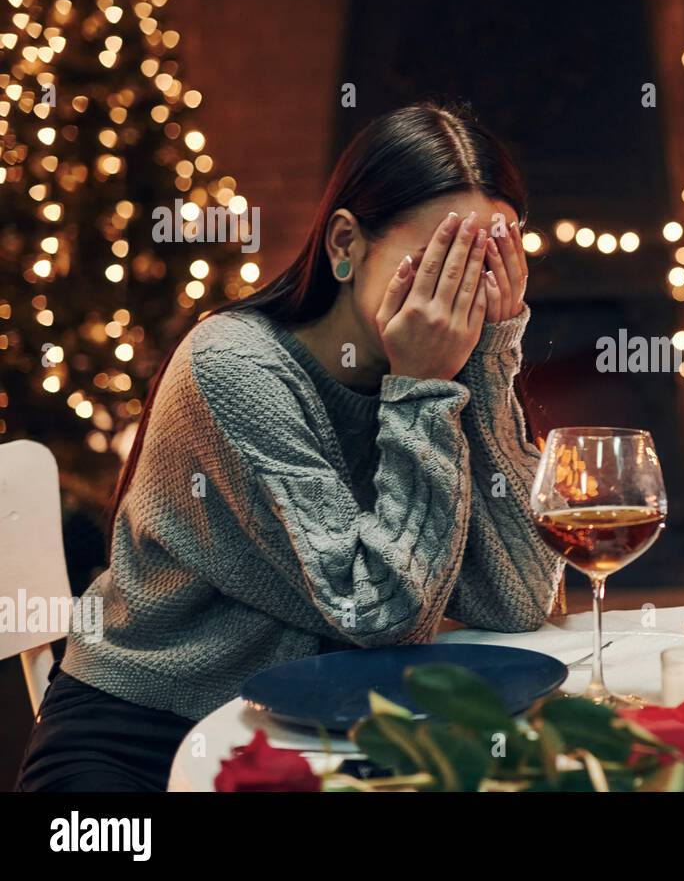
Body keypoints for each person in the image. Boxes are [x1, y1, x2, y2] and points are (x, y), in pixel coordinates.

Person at [17, 101, 563, 791]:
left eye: (487, 266)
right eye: (436, 265)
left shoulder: (445, 367)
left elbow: (518, 601)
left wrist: (485, 363)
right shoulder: (234, 367)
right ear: (344, 244)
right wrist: (424, 388)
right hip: (142, 741)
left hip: (314, 735)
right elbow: (381, 615)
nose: (459, 297)